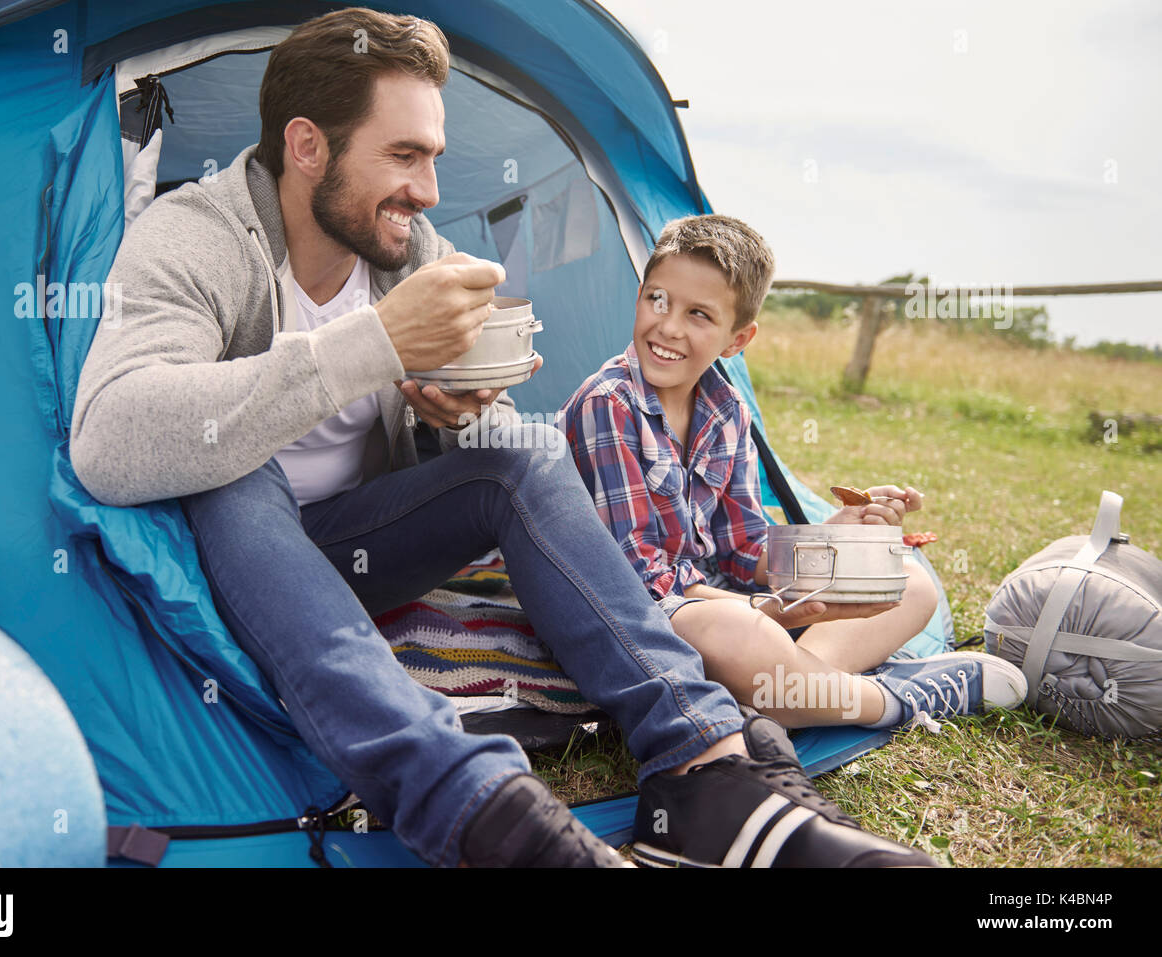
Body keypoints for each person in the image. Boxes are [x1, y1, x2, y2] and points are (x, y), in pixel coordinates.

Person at [71, 8, 937, 868]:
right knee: (239, 473)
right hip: (241, 556)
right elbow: (109, 438)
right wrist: (375, 343)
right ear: (306, 146)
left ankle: (704, 769)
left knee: (523, 451)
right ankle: (488, 813)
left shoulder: (409, 251)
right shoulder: (198, 235)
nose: (428, 191)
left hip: (361, 543)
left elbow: (483, 424)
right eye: (403, 156)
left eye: (434, 158)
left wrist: (459, 417)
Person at [558, 214, 1027, 742]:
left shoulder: (726, 409)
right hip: (631, 609)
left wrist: (832, 536)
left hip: (713, 598)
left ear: (737, 339)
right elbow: (639, 581)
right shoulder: (609, 405)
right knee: (741, 632)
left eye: (699, 315)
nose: (668, 327)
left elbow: (742, 547)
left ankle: (790, 691)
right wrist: (765, 610)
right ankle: (888, 699)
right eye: (658, 300)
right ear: (640, 296)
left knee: (907, 583)